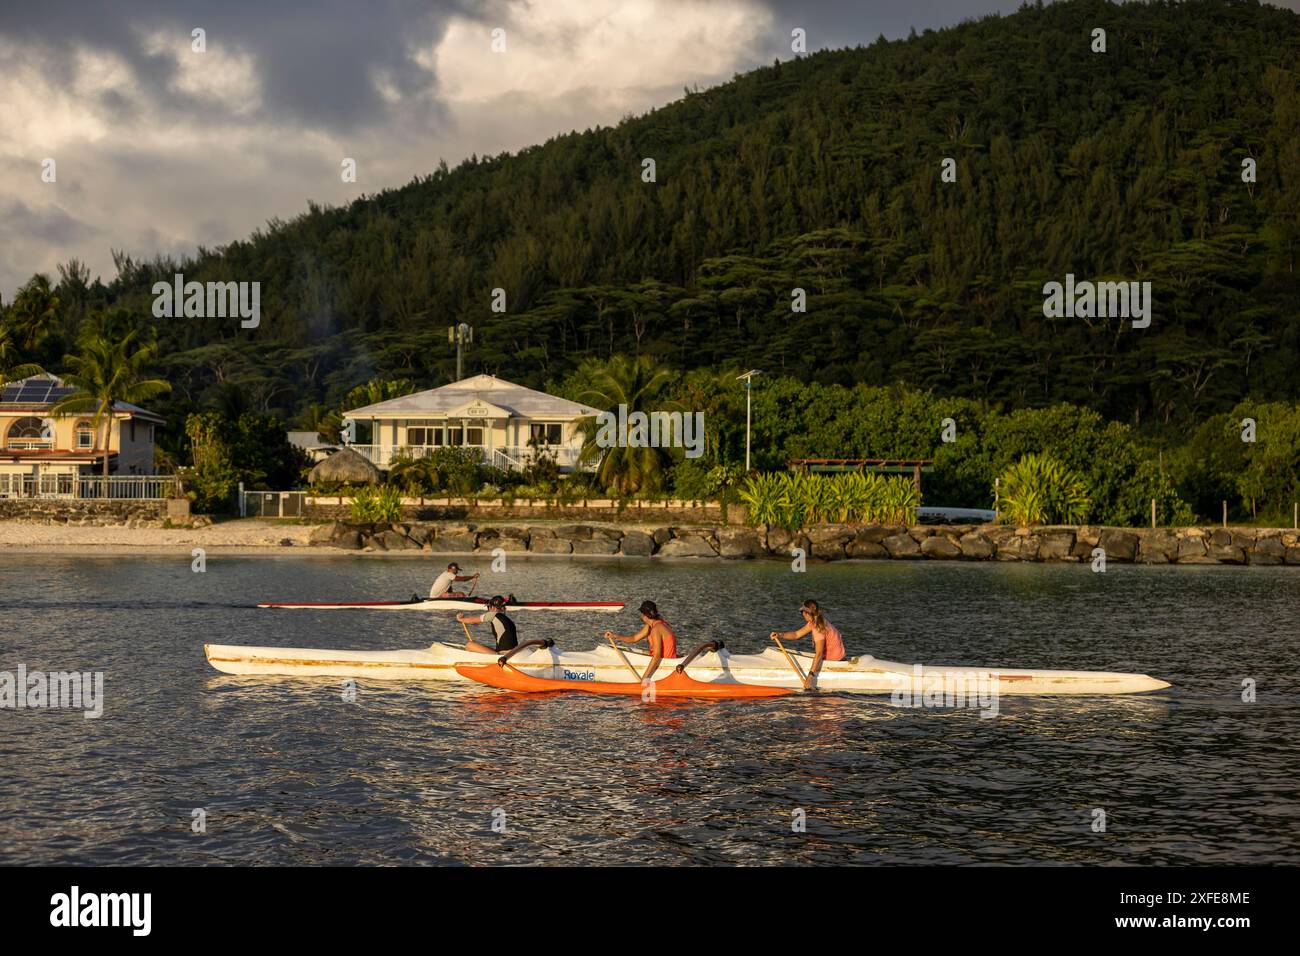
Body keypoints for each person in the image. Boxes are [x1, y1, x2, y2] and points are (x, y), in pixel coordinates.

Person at [770, 600, 845, 690]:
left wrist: (810, 677)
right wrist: (779, 635)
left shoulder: (818, 627)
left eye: (802, 612)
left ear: (806, 613)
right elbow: (796, 634)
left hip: (834, 663)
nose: (802, 614)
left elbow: (819, 654)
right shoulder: (815, 622)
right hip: (836, 658)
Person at [604, 600, 678, 681]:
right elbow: (634, 638)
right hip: (665, 661)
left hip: (664, 665)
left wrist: (645, 678)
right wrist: (615, 636)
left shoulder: (656, 629)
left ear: (645, 615)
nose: (641, 616)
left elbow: (657, 655)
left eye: (642, 614)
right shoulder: (657, 624)